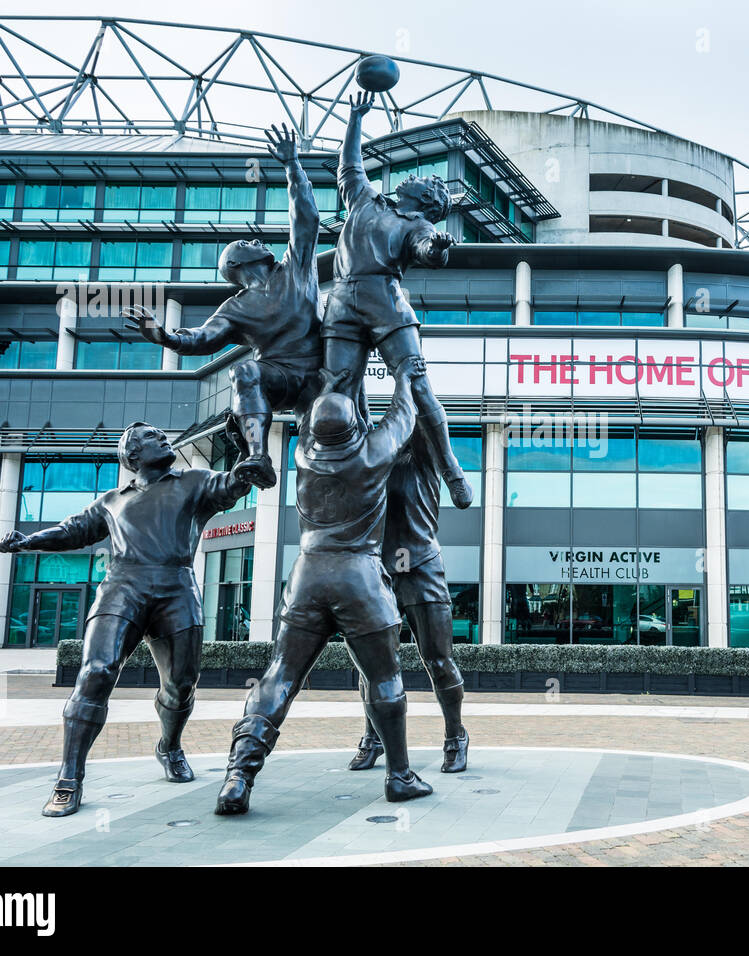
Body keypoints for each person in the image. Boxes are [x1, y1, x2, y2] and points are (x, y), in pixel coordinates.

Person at [0, 423, 254, 817]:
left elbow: (235, 484)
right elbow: (73, 531)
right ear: (132, 456)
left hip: (177, 587)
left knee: (182, 685)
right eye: (152, 437)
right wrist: (27, 541)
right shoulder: (112, 500)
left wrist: (245, 451)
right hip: (123, 587)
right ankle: (69, 779)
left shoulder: (194, 482)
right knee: (96, 672)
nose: (164, 438)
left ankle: (168, 745)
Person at [215, 359, 434, 815]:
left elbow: (309, 410)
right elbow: (404, 413)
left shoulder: (302, 455)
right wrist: (406, 377)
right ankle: (399, 776)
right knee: (385, 677)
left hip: (307, 575)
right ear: (356, 424)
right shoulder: (374, 451)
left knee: (280, 675)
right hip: (359, 577)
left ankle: (239, 775)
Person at [123, 124, 322, 491]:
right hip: (283, 380)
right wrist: (163, 335)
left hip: (322, 371)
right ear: (236, 265)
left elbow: (306, 219)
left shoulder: (295, 269)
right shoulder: (236, 308)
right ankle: (258, 457)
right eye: (247, 241)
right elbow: (200, 338)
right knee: (245, 371)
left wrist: (293, 164)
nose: (257, 239)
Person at [319, 90, 473, 512]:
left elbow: (427, 251)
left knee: (417, 383)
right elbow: (348, 165)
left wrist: (438, 247)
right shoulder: (366, 199)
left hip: (385, 301)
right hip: (341, 302)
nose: (416, 176)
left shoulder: (418, 223)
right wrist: (354, 118)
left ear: (428, 200)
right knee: (337, 391)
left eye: (428, 180)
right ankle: (349, 470)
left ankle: (450, 467)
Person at [347, 414, 468, 775]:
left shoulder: (423, 453)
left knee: (438, 660)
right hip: (379, 571)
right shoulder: (370, 462)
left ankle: (455, 736)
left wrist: (406, 371)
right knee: (372, 666)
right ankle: (374, 739)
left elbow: (428, 408)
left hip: (422, 567)